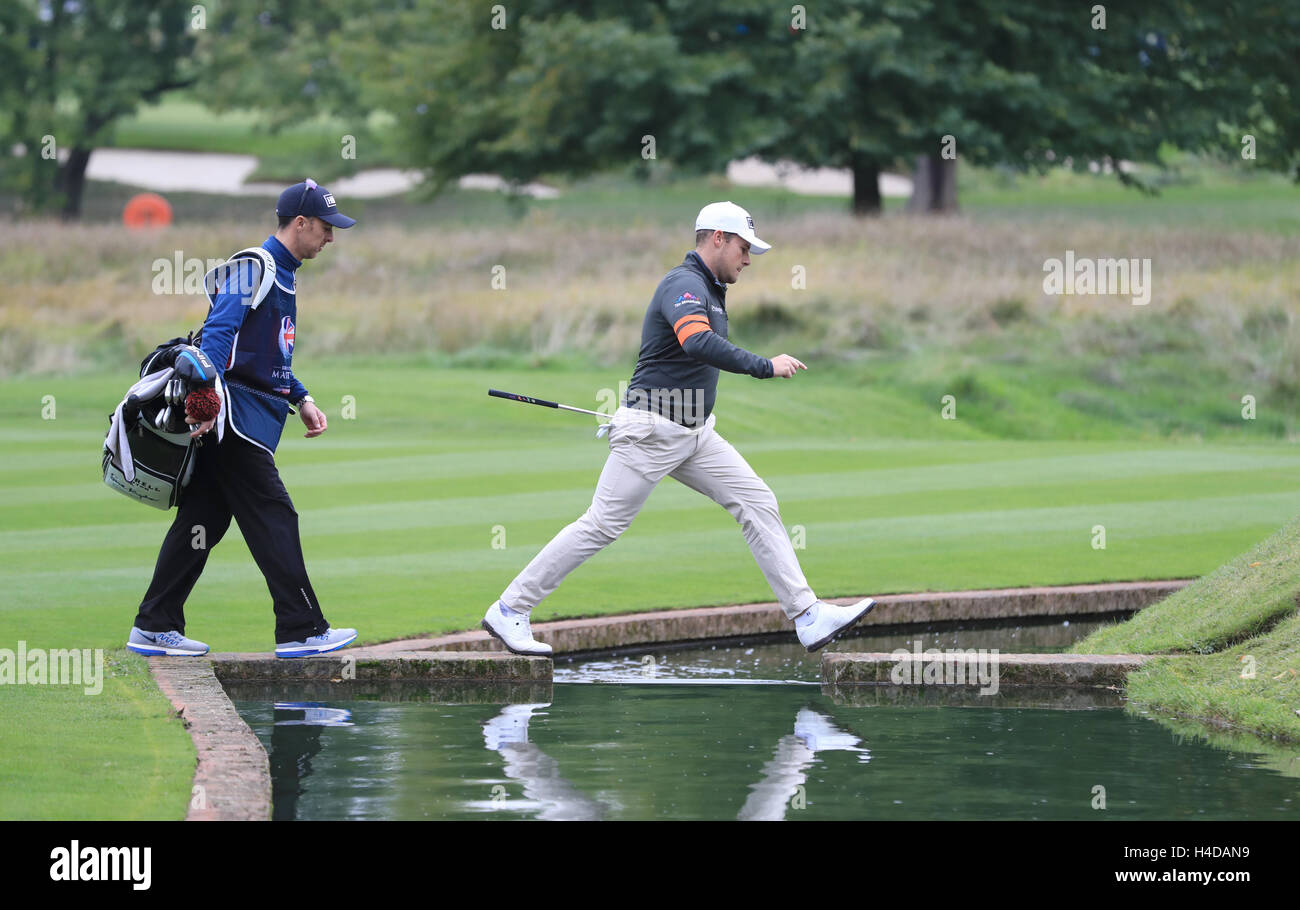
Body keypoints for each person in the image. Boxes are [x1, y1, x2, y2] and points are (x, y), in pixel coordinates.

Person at [482, 201, 875, 656]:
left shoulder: (711, 288)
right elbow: (696, 341)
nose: (748, 260)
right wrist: (765, 366)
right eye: (744, 249)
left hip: (695, 434)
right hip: (651, 431)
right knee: (602, 525)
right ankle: (510, 609)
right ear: (717, 239)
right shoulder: (684, 284)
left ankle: (807, 616)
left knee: (756, 500)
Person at [126, 180, 358, 659]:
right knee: (275, 514)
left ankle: (154, 624)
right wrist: (203, 404)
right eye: (325, 228)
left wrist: (302, 397)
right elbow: (217, 335)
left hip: (247, 416)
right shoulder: (257, 265)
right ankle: (301, 629)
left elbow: (265, 357)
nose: (331, 238)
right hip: (234, 422)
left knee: (203, 522)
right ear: (300, 223)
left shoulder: (284, 272)